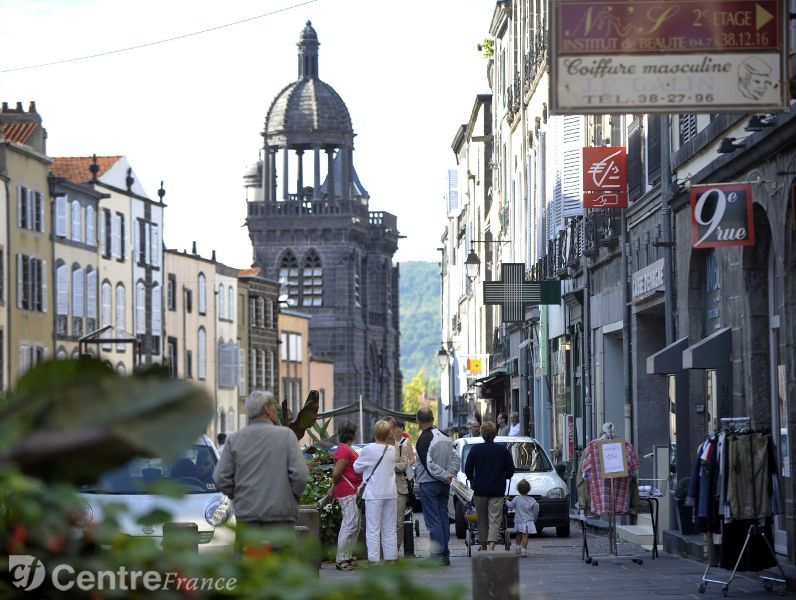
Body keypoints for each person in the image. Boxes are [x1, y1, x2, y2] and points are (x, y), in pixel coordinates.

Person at [214, 390, 309, 545]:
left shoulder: (234, 440)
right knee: (281, 564)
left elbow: (220, 478)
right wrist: (289, 499)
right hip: (280, 519)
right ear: (266, 409)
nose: (275, 410)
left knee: (250, 566)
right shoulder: (286, 436)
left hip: (247, 519)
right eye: (273, 405)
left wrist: (239, 496)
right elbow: (301, 476)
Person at [414, 407, 460, 566]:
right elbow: (457, 458)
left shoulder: (423, 440)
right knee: (443, 519)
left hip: (429, 483)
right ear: (433, 419)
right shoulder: (446, 437)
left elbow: (429, 465)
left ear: (419, 422)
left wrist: (444, 475)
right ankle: (445, 554)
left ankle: (437, 555)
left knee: (433, 520)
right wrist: (449, 474)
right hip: (444, 485)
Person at [464, 421, 515, 551]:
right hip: (497, 489)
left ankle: (483, 544)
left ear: (482, 434)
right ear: (494, 434)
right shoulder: (502, 450)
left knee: (481, 519)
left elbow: (468, 468)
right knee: (495, 518)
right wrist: (505, 476)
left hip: (480, 489)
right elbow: (510, 469)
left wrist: (472, 480)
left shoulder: (476, 449)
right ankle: (492, 544)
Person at [354, 420, 398, 564]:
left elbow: (356, 467)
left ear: (374, 433)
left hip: (373, 494)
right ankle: (391, 558)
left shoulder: (368, 450)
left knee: (373, 529)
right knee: (390, 527)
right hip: (390, 493)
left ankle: (374, 560)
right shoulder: (392, 449)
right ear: (387, 434)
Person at [325, 420, 362, 571]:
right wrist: (333, 487)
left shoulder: (345, 448)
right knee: (350, 523)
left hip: (350, 490)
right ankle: (341, 559)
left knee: (355, 524)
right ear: (352, 434)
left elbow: (338, 474)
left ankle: (347, 555)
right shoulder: (344, 450)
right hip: (347, 491)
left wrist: (333, 488)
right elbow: (337, 473)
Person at [393, 419, 415, 552]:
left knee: (399, 520)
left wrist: (406, 464)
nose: (398, 430)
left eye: (400, 428)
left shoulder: (405, 442)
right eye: (396, 427)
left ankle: (397, 547)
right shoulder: (388, 442)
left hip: (401, 479)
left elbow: (412, 459)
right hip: (390, 483)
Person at [506, 479, 539, 557]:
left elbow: (510, 506)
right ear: (529, 489)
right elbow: (536, 509)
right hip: (527, 521)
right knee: (525, 535)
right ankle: (524, 550)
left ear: (518, 489)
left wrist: (506, 500)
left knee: (518, 534)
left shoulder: (517, 498)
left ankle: (517, 548)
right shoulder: (532, 500)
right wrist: (534, 518)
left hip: (519, 520)